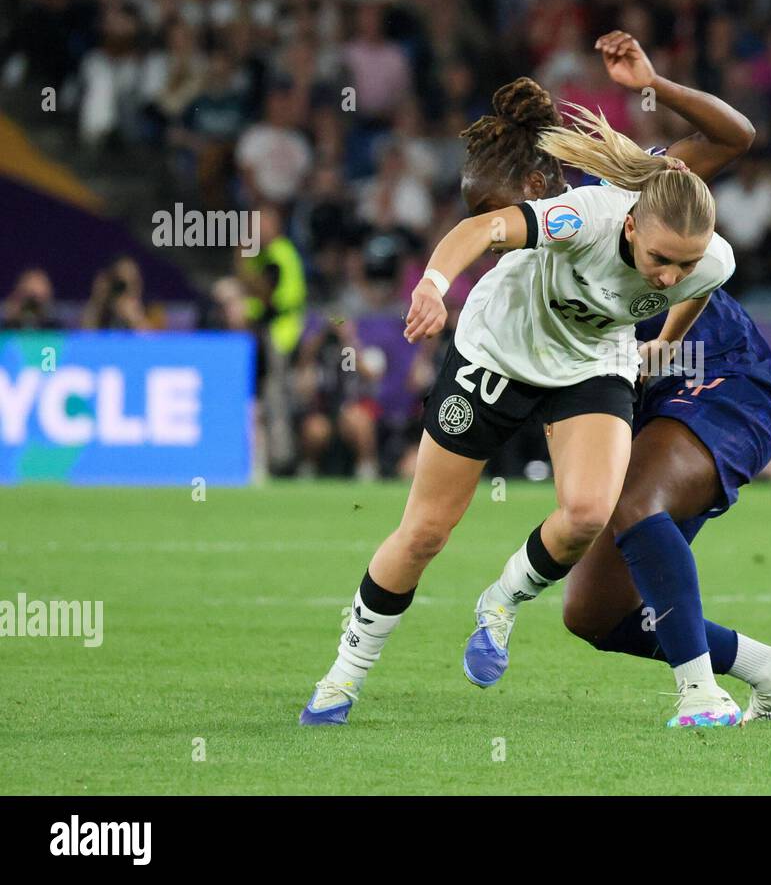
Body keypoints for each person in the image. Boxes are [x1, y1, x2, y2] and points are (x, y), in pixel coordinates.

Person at [301, 77, 737, 728]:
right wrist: (433, 285)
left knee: (589, 512)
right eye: (661, 260)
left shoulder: (707, 260)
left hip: (589, 364)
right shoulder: (582, 218)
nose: (671, 275)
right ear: (631, 222)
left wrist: (665, 344)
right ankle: (344, 674)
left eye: (685, 262)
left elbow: (697, 286)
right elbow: (483, 227)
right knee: (425, 531)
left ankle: (502, 600)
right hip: (496, 354)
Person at [460, 33, 771, 728]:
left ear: (535, 186)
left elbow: (736, 134)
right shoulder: (527, 271)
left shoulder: (629, 192)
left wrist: (655, 82)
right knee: (593, 615)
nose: (492, 231)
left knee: (628, 498)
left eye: (493, 212)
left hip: (723, 383)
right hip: (648, 407)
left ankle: (700, 695)